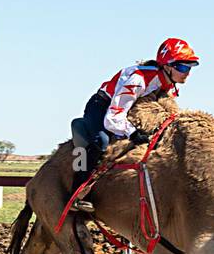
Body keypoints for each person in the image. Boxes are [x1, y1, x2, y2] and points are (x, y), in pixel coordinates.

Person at [68, 37, 200, 212]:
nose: (187, 72)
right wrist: (132, 132)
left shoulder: (169, 84)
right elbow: (112, 118)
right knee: (101, 141)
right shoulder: (138, 80)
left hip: (125, 106)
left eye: (190, 67)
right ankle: (74, 195)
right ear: (167, 66)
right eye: (182, 67)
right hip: (102, 105)